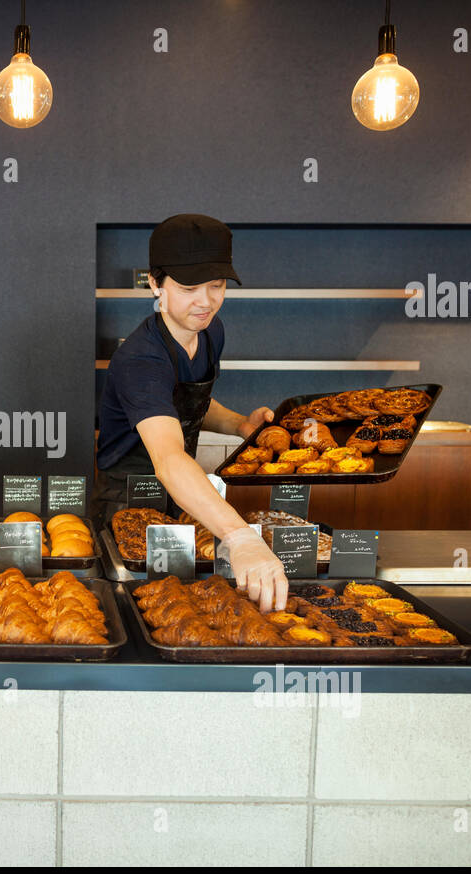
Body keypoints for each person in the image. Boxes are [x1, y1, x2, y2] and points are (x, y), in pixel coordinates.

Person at [94, 214, 289, 611]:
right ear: (155, 283)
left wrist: (238, 423)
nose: (205, 302)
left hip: (186, 497)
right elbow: (167, 458)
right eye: (188, 288)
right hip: (127, 500)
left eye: (216, 286)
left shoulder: (209, 331)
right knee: (144, 610)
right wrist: (240, 536)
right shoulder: (141, 360)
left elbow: (188, 401)